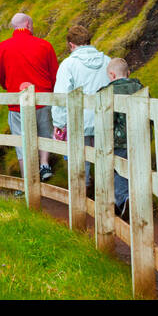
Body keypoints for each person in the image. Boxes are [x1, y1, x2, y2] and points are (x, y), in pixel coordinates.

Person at [0, 12, 59, 182]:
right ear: (28, 24)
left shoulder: (3, 47)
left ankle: (26, 180)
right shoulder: (44, 45)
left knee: (21, 140)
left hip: (17, 102)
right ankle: (44, 164)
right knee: (45, 133)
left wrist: (10, 87)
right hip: (42, 98)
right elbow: (54, 74)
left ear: (14, 27)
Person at [51, 25, 111, 192]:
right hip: (103, 120)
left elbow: (61, 96)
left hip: (78, 122)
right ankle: (104, 195)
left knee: (79, 162)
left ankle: (82, 197)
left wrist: (59, 123)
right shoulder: (107, 60)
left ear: (71, 45)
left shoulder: (69, 64)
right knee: (103, 160)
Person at [99, 58, 143, 222]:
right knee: (138, 170)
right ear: (128, 73)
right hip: (140, 137)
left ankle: (124, 200)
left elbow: (106, 119)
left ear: (111, 74)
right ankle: (138, 201)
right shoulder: (139, 88)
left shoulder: (107, 92)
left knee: (118, 171)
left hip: (118, 139)